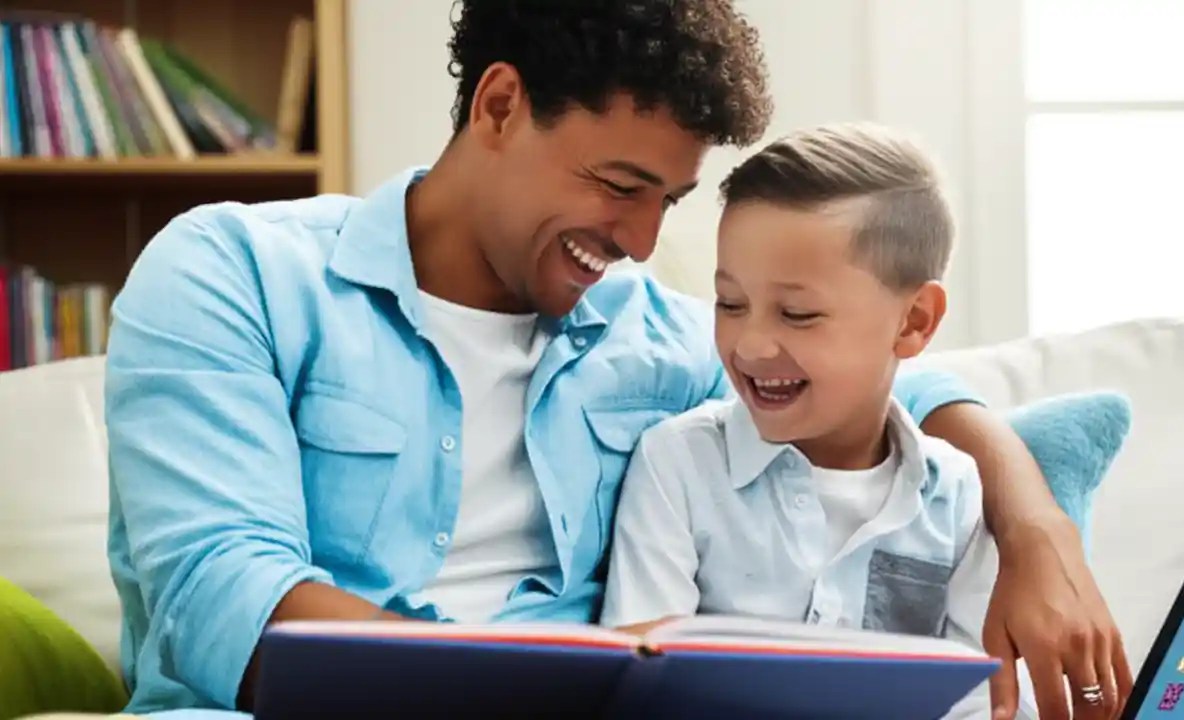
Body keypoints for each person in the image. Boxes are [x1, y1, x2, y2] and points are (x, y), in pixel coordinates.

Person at [102, 1, 1128, 718]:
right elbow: (219, 594)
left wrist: (1037, 534)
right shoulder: (231, 272)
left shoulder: (648, 330)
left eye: (667, 203)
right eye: (618, 184)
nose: (639, 241)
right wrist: (519, 690)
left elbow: (892, 387)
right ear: (498, 105)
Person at [600, 123, 1035, 718]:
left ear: (913, 322)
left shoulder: (956, 494)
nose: (750, 345)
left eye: (797, 314)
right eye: (730, 303)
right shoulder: (679, 466)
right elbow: (642, 681)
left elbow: (985, 699)